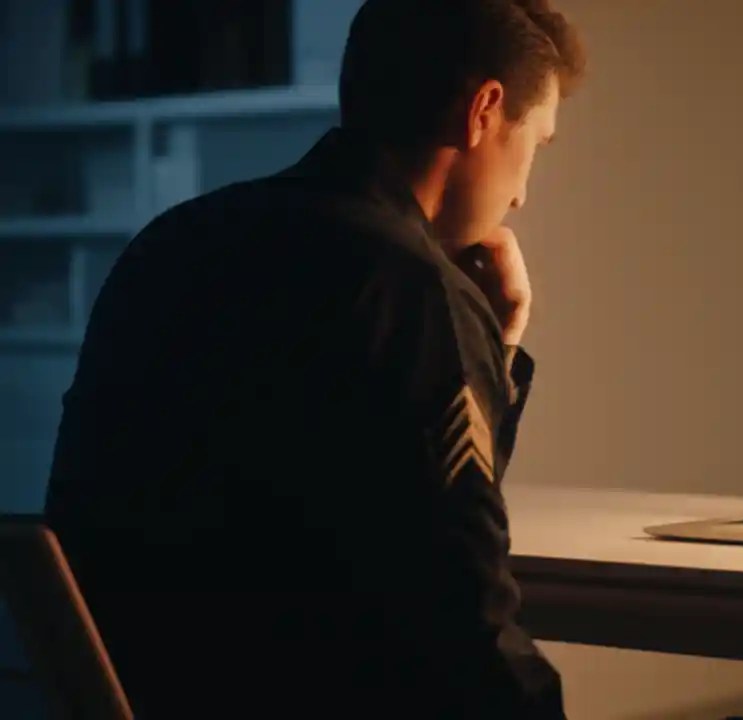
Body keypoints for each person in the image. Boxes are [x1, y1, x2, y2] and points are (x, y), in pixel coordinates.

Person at [42, 0, 584, 717]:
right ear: (482, 112)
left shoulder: (172, 243)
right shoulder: (414, 295)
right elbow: (463, 617)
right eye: (536, 146)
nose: (520, 194)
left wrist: (493, 345)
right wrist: (485, 335)